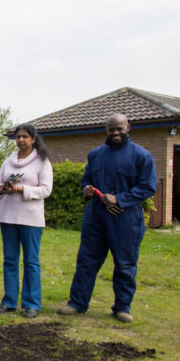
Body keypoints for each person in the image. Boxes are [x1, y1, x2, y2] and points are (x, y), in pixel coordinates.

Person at [58, 113, 156, 323]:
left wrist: (120, 198)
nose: (115, 133)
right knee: (86, 261)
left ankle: (122, 307)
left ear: (128, 127)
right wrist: (85, 188)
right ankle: (77, 303)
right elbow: (86, 179)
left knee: (124, 264)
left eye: (119, 128)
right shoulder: (96, 155)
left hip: (125, 218)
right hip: (96, 216)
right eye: (111, 129)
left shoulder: (142, 156)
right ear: (106, 130)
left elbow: (148, 187)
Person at [0, 124, 53, 318]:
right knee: (10, 260)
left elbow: (46, 189)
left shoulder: (42, 162)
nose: (21, 140)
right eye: (18, 137)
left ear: (33, 139)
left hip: (31, 219)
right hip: (8, 217)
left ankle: (32, 303)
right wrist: (2, 189)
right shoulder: (8, 162)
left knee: (31, 261)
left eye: (25, 136)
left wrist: (21, 190)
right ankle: (9, 301)